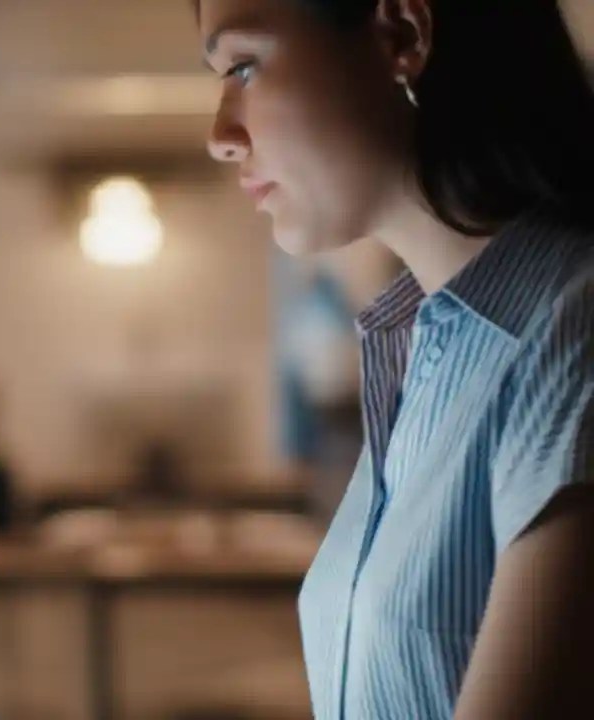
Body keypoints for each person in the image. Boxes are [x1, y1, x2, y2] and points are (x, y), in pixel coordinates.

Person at [196, 0, 594, 717]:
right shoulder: (420, 348)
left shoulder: (573, 330)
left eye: (245, 66)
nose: (221, 135)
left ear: (402, 34)